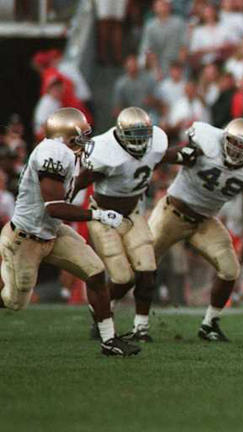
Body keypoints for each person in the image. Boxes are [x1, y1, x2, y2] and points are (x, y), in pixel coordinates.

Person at [1, 107, 139, 356]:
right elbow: (54, 207)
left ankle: (109, 340)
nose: (86, 141)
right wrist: (98, 215)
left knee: (95, 272)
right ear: (66, 136)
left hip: (52, 233)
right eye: (81, 136)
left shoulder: (68, 154)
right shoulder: (53, 152)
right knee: (14, 302)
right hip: (25, 237)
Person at [73, 107, 197, 342]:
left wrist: (186, 155)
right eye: (134, 136)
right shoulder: (106, 153)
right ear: (120, 134)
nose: (140, 142)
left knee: (147, 270)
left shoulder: (154, 146)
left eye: (143, 136)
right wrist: (61, 205)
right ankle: (101, 310)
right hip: (104, 217)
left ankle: (141, 328)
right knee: (122, 278)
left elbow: (165, 155)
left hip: (132, 214)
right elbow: (79, 183)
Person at [148, 118, 243, 341]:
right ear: (223, 139)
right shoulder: (205, 144)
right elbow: (168, 155)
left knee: (230, 270)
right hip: (172, 212)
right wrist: (179, 155)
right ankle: (117, 318)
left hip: (204, 221)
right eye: (234, 143)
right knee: (141, 263)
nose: (237, 149)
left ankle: (210, 324)